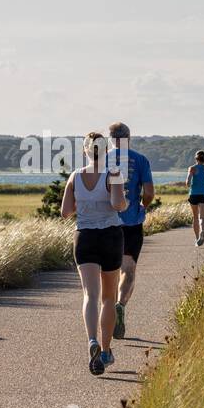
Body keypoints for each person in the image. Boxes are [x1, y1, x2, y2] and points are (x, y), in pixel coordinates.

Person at [60, 132, 127, 375]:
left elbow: (66, 212)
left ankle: (91, 340)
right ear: (106, 151)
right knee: (108, 298)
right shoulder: (114, 174)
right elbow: (118, 205)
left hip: (84, 237)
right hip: (109, 236)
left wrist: (84, 202)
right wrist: (125, 201)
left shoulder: (75, 176)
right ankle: (106, 350)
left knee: (89, 294)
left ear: (85, 151)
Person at [106, 122, 154, 341]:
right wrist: (143, 205)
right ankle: (120, 304)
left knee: (108, 271)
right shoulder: (141, 160)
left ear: (109, 138)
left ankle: (107, 310)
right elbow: (149, 192)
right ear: (129, 137)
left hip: (106, 223)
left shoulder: (101, 159)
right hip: (132, 221)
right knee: (129, 268)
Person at [186, 150, 204, 246]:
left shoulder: (192, 168)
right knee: (202, 216)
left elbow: (188, 182)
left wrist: (191, 184)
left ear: (196, 158)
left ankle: (197, 238)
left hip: (193, 194)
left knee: (195, 217)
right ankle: (202, 231)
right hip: (203, 194)